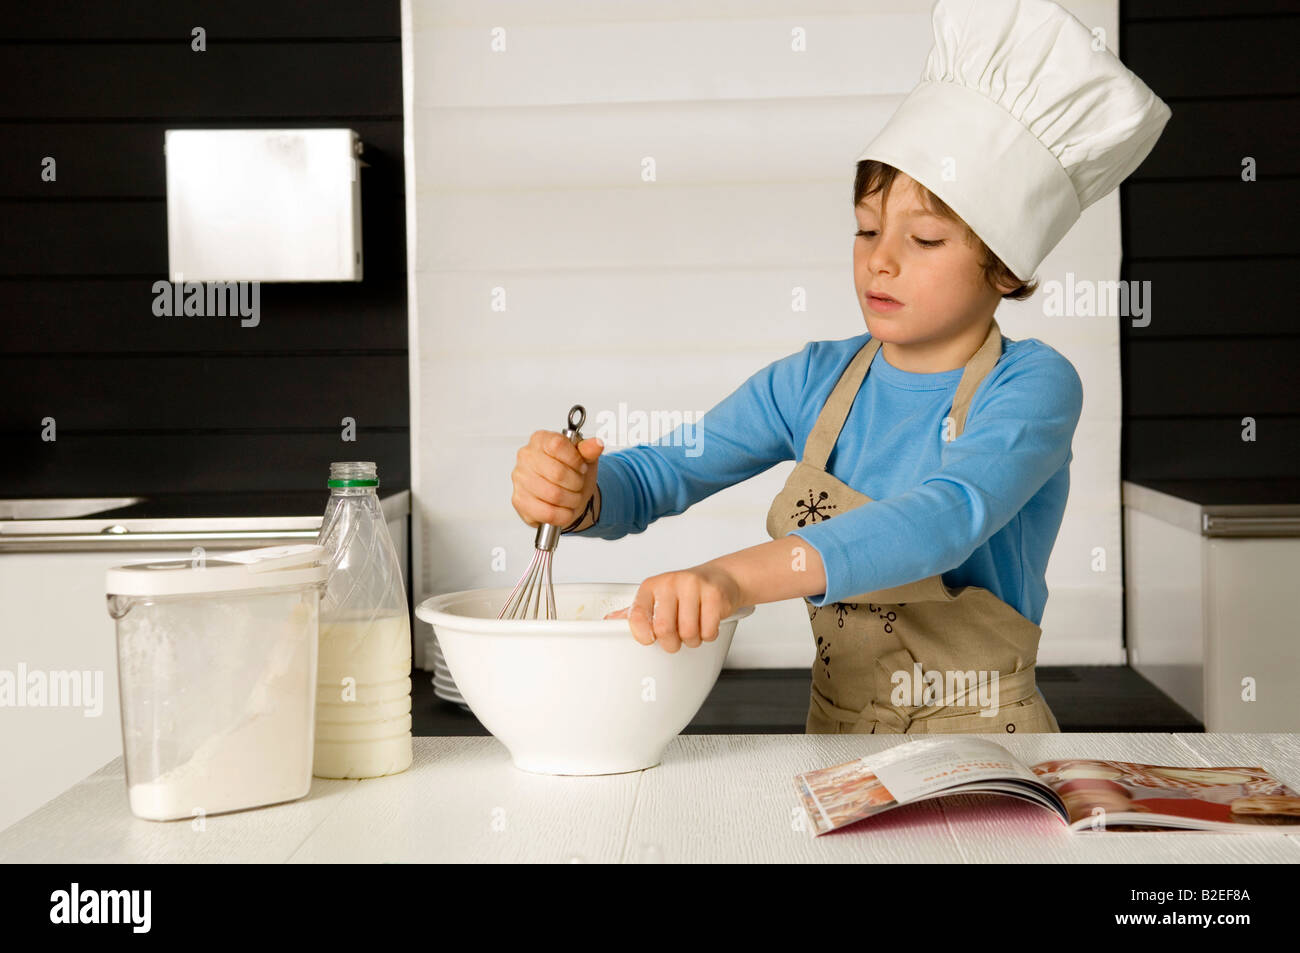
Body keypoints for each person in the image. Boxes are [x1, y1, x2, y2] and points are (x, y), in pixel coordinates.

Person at [508, 0, 1170, 734]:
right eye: (866, 228)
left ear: (1005, 268)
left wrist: (731, 578)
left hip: (988, 750)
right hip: (836, 743)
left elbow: (942, 520)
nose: (879, 259)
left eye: (923, 239)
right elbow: (662, 473)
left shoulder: (1034, 386)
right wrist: (581, 491)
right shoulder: (813, 382)